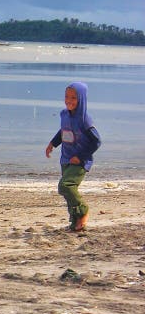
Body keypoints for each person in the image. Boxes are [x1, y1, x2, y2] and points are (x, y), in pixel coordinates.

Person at [45, 81, 101, 232]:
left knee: (66, 186)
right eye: (66, 96)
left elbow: (96, 141)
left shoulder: (85, 119)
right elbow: (62, 131)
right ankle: (75, 222)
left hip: (79, 162)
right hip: (66, 159)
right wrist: (52, 144)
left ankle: (83, 211)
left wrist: (81, 157)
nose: (69, 100)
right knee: (67, 191)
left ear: (81, 99)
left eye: (73, 98)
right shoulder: (64, 114)